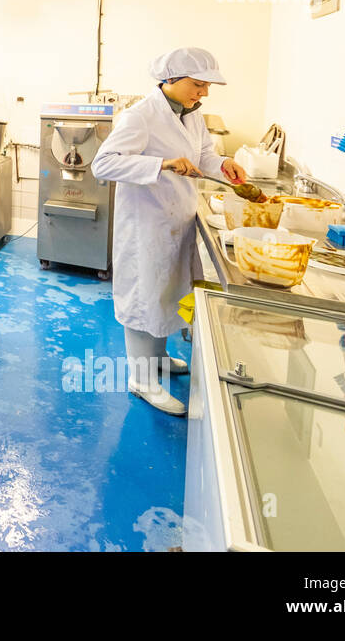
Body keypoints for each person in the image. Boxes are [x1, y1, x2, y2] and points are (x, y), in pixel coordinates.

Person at [90, 47, 249, 416]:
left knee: (165, 292)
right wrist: (161, 164)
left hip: (177, 219)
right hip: (146, 223)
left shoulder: (193, 116)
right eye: (197, 85)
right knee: (143, 297)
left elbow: (203, 155)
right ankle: (141, 380)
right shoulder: (139, 116)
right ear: (170, 79)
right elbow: (104, 164)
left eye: (207, 86)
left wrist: (224, 164)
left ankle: (158, 357)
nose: (203, 93)